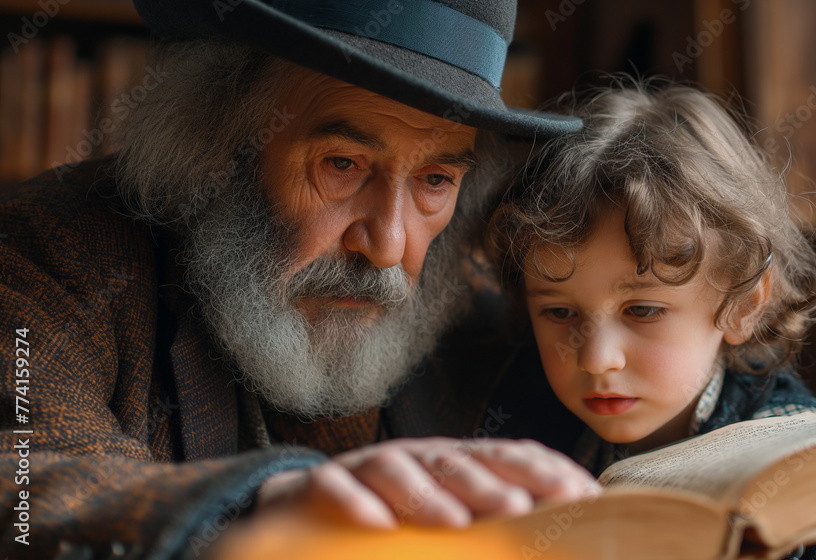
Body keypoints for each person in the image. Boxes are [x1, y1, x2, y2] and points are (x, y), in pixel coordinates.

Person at [0, 1, 599, 558]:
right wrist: (257, 504)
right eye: (342, 165)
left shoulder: (501, 323)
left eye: (435, 180)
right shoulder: (42, 252)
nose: (388, 246)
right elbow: (20, 486)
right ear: (217, 139)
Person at [484, 83, 816, 558]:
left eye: (642, 310)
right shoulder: (515, 416)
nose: (597, 359)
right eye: (559, 312)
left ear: (743, 305)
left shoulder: (810, 472)